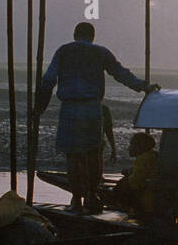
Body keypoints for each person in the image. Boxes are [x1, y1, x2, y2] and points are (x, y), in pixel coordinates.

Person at [32, 22, 157, 213]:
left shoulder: (64, 51)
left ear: (75, 34)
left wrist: (39, 109)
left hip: (70, 108)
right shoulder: (100, 52)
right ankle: (91, 195)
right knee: (93, 154)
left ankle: (76, 199)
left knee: (73, 156)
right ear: (92, 36)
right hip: (92, 108)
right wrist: (143, 87)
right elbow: (121, 74)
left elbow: (48, 80)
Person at [112, 132, 158, 216]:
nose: (129, 148)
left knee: (122, 183)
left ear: (140, 147)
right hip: (151, 194)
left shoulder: (143, 159)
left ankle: (122, 207)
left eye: (132, 144)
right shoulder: (152, 156)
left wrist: (125, 180)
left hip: (147, 199)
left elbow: (134, 182)